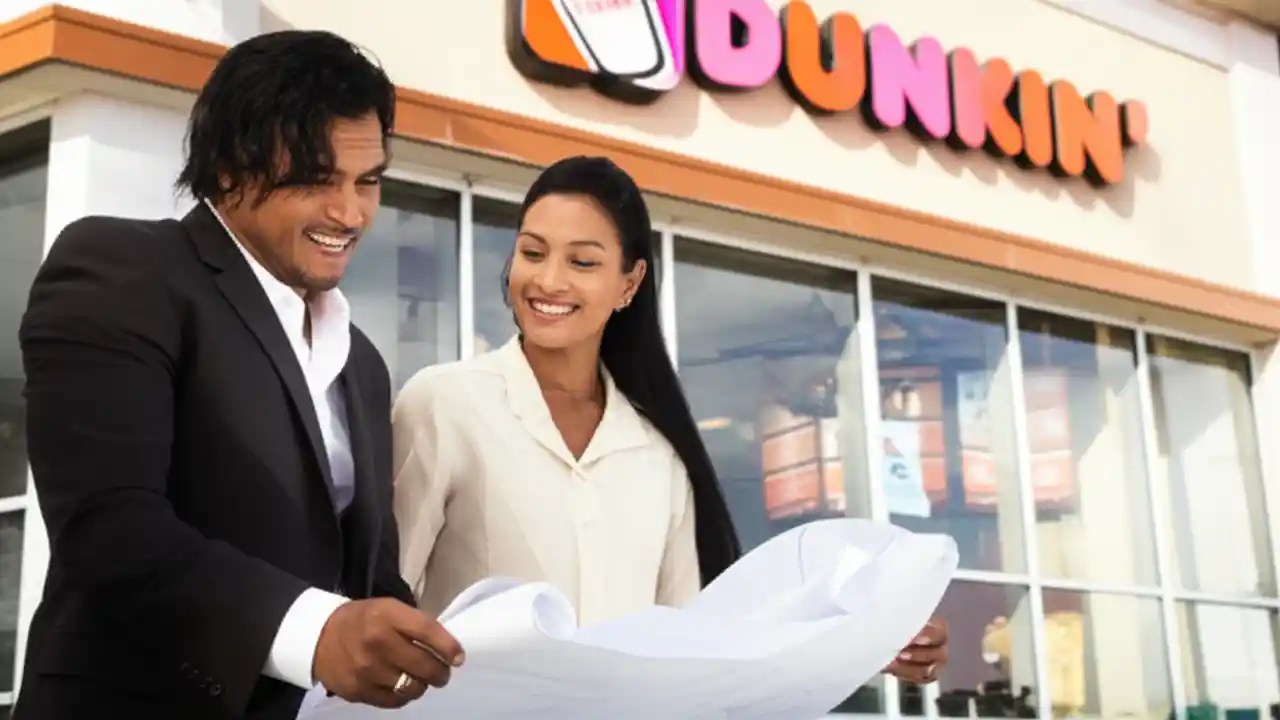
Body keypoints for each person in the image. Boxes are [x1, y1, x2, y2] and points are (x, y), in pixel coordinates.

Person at [13, 30, 462, 720]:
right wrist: (317, 633)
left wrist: (444, 654)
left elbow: (364, 580)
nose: (350, 213)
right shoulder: (124, 272)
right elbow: (110, 530)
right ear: (229, 169)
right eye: (316, 179)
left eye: (367, 182)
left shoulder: (362, 363)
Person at [390, 155, 947, 686]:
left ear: (629, 283)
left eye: (582, 262)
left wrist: (862, 642)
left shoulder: (657, 458)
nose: (549, 280)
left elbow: (691, 653)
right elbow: (380, 609)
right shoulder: (443, 404)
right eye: (533, 252)